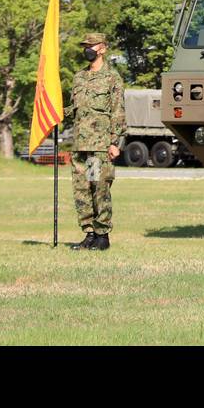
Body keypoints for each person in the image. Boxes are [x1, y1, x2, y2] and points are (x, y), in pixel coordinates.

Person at [67, 33, 125, 250]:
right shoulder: (79, 77)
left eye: (91, 46)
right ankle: (89, 234)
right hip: (80, 145)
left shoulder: (112, 78)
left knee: (98, 188)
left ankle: (103, 236)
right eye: (85, 46)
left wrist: (114, 142)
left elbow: (118, 111)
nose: (87, 49)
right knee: (81, 190)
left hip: (99, 146)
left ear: (103, 48)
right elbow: (75, 109)